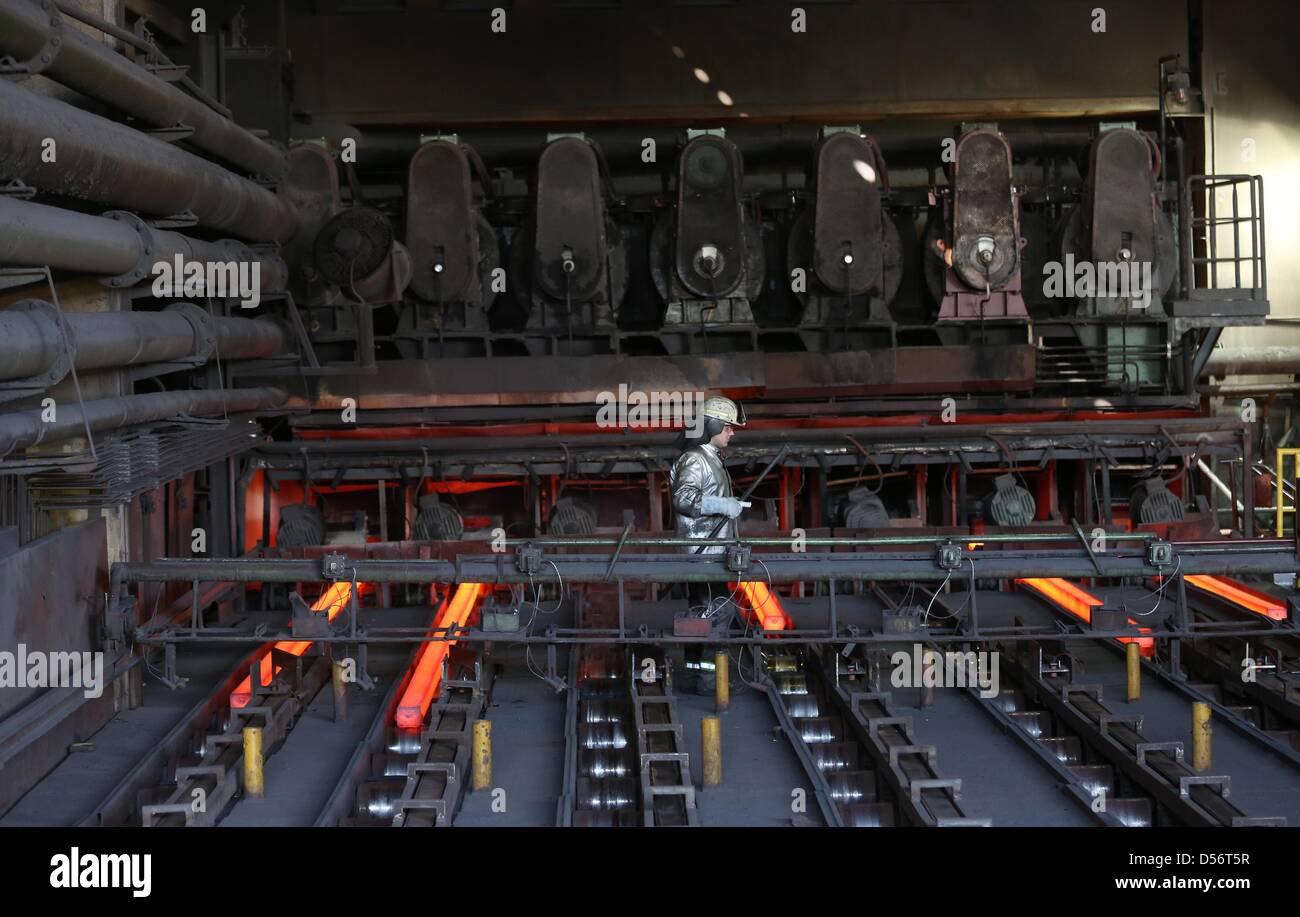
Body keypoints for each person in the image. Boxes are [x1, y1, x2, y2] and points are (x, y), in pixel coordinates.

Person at [669, 394, 747, 693]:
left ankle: (692, 677)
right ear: (712, 425)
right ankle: (711, 683)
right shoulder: (695, 459)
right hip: (702, 555)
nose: (732, 431)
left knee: (702, 614)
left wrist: (728, 505)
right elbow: (683, 499)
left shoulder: (711, 460)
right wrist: (721, 504)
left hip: (711, 554)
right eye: (727, 426)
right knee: (719, 614)